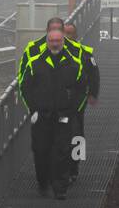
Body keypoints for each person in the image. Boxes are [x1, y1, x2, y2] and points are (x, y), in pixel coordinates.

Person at [17, 24, 90, 199]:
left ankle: (60, 188)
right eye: (51, 41)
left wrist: (74, 109)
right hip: (41, 116)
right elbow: (24, 87)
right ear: (47, 42)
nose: (55, 44)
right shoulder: (35, 63)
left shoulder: (74, 63)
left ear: (63, 41)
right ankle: (43, 182)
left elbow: (83, 88)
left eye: (58, 40)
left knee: (63, 151)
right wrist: (32, 109)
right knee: (41, 151)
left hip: (64, 116)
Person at [62, 23, 100, 182]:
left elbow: (94, 74)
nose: (67, 37)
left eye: (70, 34)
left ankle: (73, 168)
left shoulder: (84, 54)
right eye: (65, 34)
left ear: (75, 36)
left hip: (77, 99)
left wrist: (92, 94)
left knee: (76, 132)